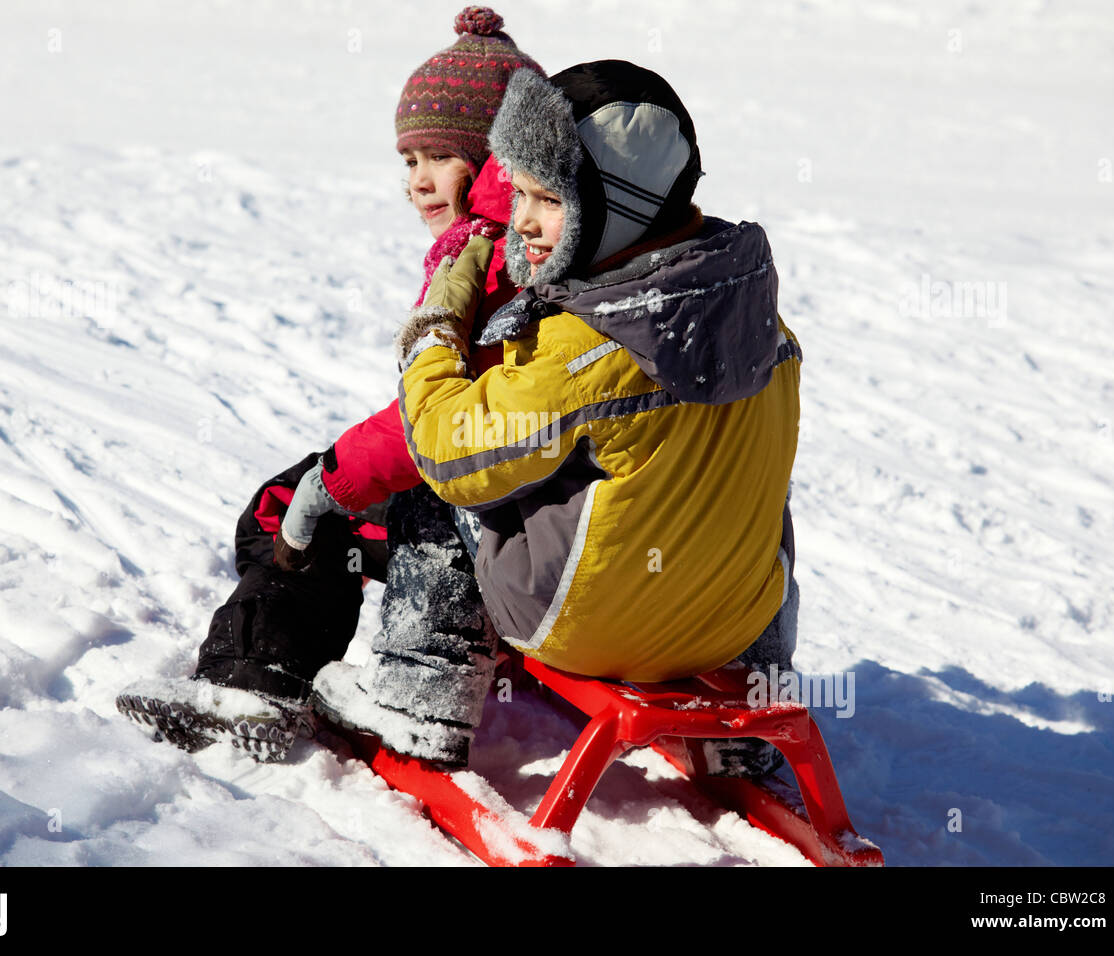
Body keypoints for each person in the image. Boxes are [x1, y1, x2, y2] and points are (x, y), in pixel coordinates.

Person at [312, 60, 802, 776]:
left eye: (549, 198)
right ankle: (741, 720)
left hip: (584, 625)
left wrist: (433, 337)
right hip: (729, 624)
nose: (524, 224)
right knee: (748, 487)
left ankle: (420, 699)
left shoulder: (580, 340)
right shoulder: (760, 317)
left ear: (623, 206)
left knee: (439, 480)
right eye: (520, 194)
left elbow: (449, 450)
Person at [116, 7, 543, 760]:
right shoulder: (553, 233)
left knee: (288, 510)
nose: (416, 182)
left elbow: (444, 420)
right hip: (546, 517)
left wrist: (334, 482)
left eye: (436, 158)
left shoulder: (493, 253)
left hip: (494, 517)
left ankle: (253, 684)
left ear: (490, 157)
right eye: (406, 162)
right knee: (325, 490)